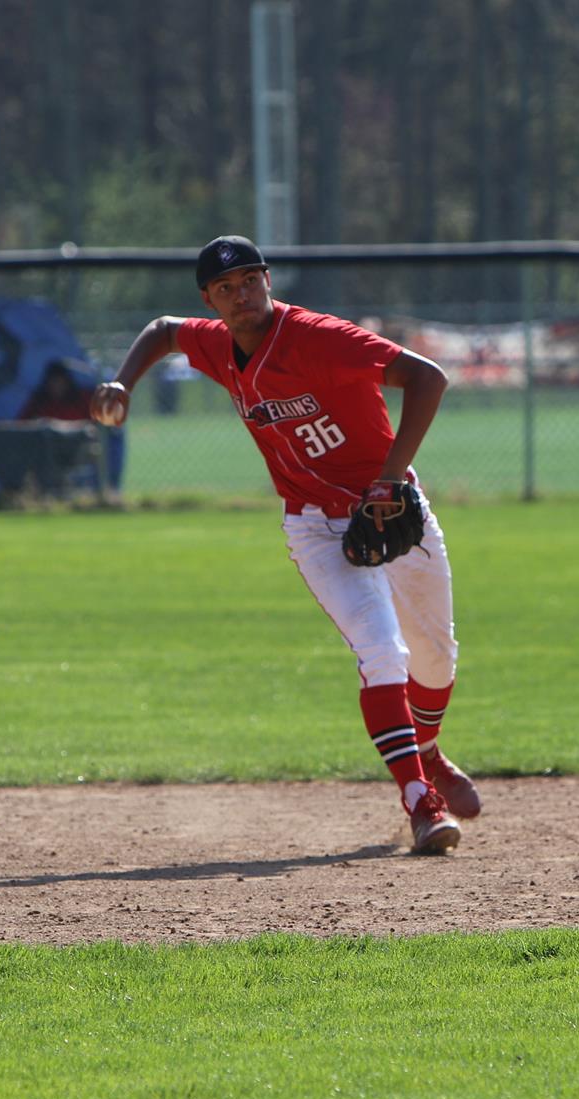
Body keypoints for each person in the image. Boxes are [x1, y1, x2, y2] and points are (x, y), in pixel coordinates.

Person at [91, 235, 479, 855]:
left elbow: (427, 379)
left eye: (250, 280)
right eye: (225, 288)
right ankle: (420, 802)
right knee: (382, 652)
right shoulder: (217, 344)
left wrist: (389, 478)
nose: (241, 295)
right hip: (316, 527)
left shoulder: (320, 338)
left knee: (435, 661)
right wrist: (121, 382)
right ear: (210, 300)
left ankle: (426, 751)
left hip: (392, 507)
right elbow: (163, 331)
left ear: (268, 280)